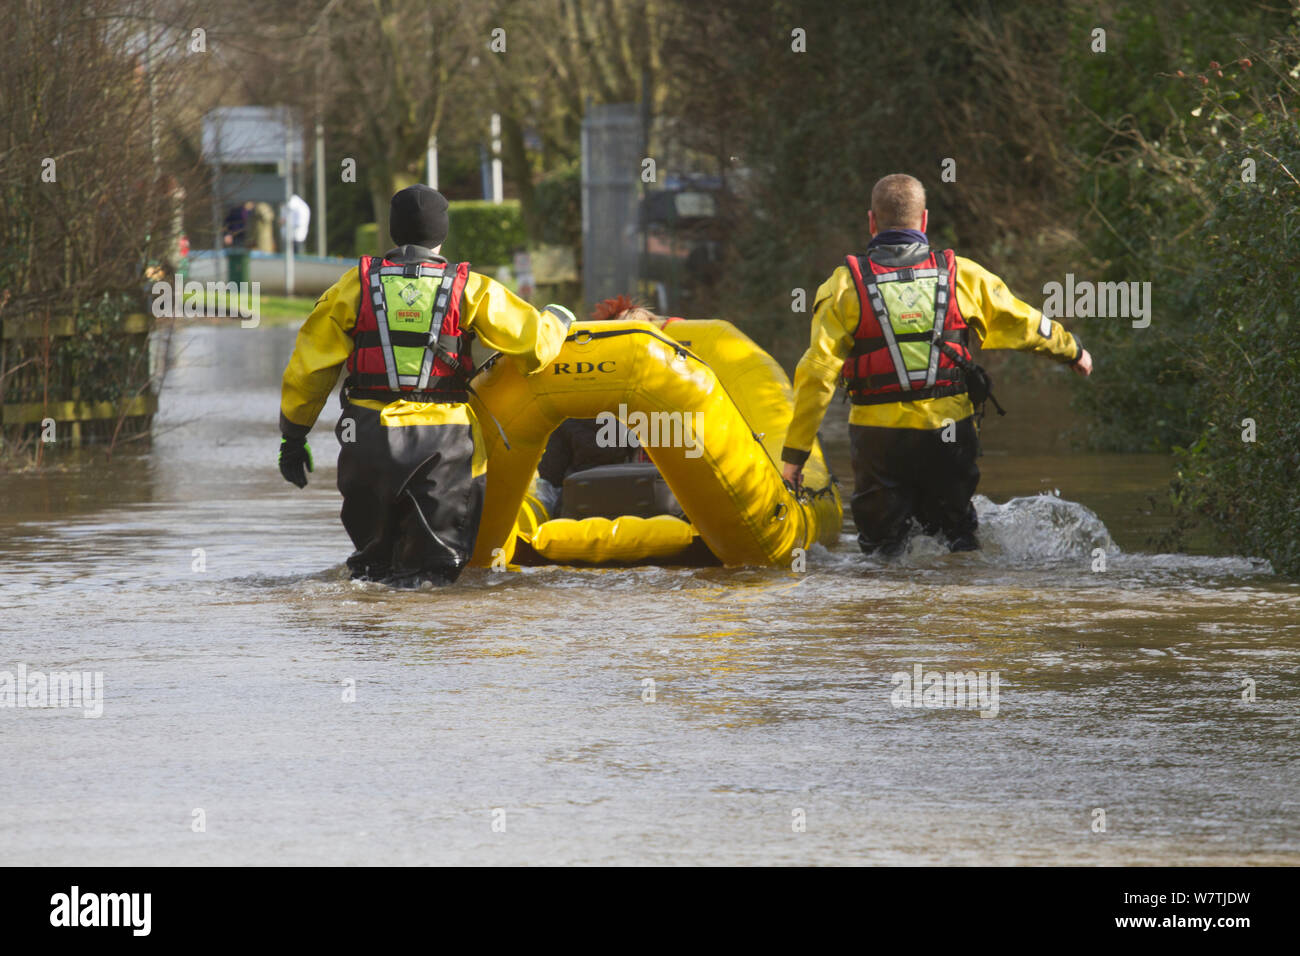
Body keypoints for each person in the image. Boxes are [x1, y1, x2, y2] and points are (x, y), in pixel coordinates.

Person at [780, 173, 1094, 557]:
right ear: (924, 221)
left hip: (879, 441)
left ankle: (881, 614)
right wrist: (1073, 351)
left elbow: (816, 375)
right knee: (957, 543)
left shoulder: (843, 287)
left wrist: (794, 457)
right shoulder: (964, 275)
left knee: (883, 553)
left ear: (871, 222)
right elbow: (1026, 323)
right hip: (948, 434)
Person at [277, 185, 574, 585]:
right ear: (442, 234)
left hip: (367, 440)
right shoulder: (469, 287)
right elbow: (536, 348)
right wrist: (558, 318)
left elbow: (308, 368)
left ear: (393, 231)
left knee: (371, 572)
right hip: (443, 447)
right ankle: (429, 646)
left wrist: (293, 437)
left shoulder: (354, 286)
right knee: (435, 576)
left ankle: (368, 644)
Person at [533, 295, 674, 516]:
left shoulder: (573, 409)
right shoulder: (674, 405)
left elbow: (549, 481)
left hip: (581, 521)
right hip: (660, 519)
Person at [222, 200, 254, 284]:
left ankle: (239, 277)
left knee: (241, 256)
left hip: (243, 237)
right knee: (236, 256)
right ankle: (236, 278)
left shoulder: (249, 212)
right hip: (235, 236)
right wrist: (227, 234)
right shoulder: (236, 211)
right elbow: (227, 222)